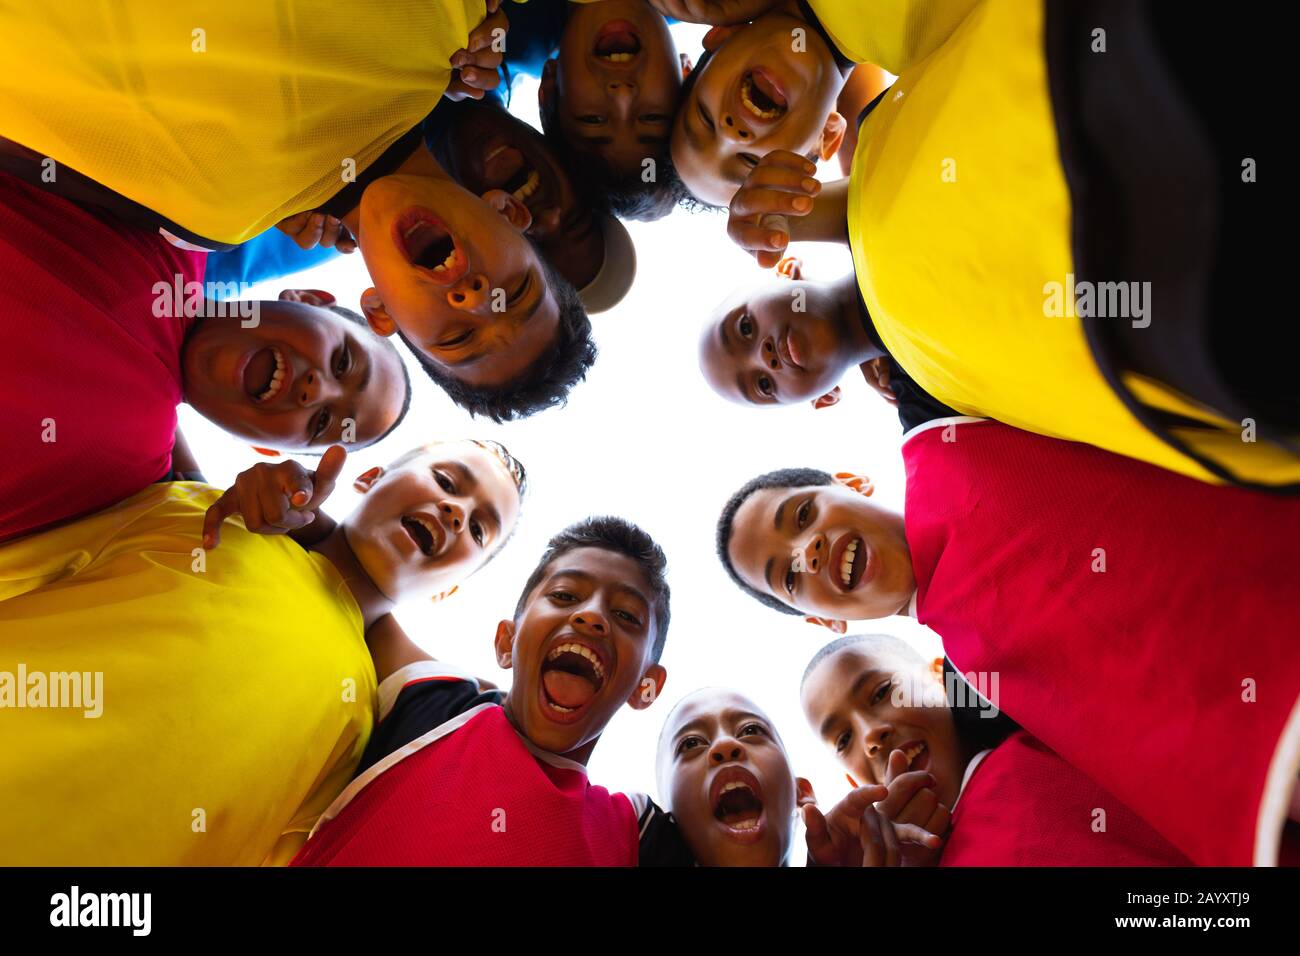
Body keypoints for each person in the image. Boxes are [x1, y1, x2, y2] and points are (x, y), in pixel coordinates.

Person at [0, 438, 525, 864]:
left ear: (448, 590)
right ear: (370, 478)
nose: (456, 512)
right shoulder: (203, 515)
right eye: (447, 482)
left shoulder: (362, 731)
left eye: (479, 528)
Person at [0, 169, 410, 544]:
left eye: (322, 423)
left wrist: (256, 504)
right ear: (308, 298)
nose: (316, 390)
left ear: (265, 450)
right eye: (342, 362)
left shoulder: (125, 488)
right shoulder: (182, 216)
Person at [801, 634, 1192, 866]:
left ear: (940, 676)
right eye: (843, 740)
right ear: (853, 782)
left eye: (883, 692)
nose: (871, 735)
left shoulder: (1051, 746)